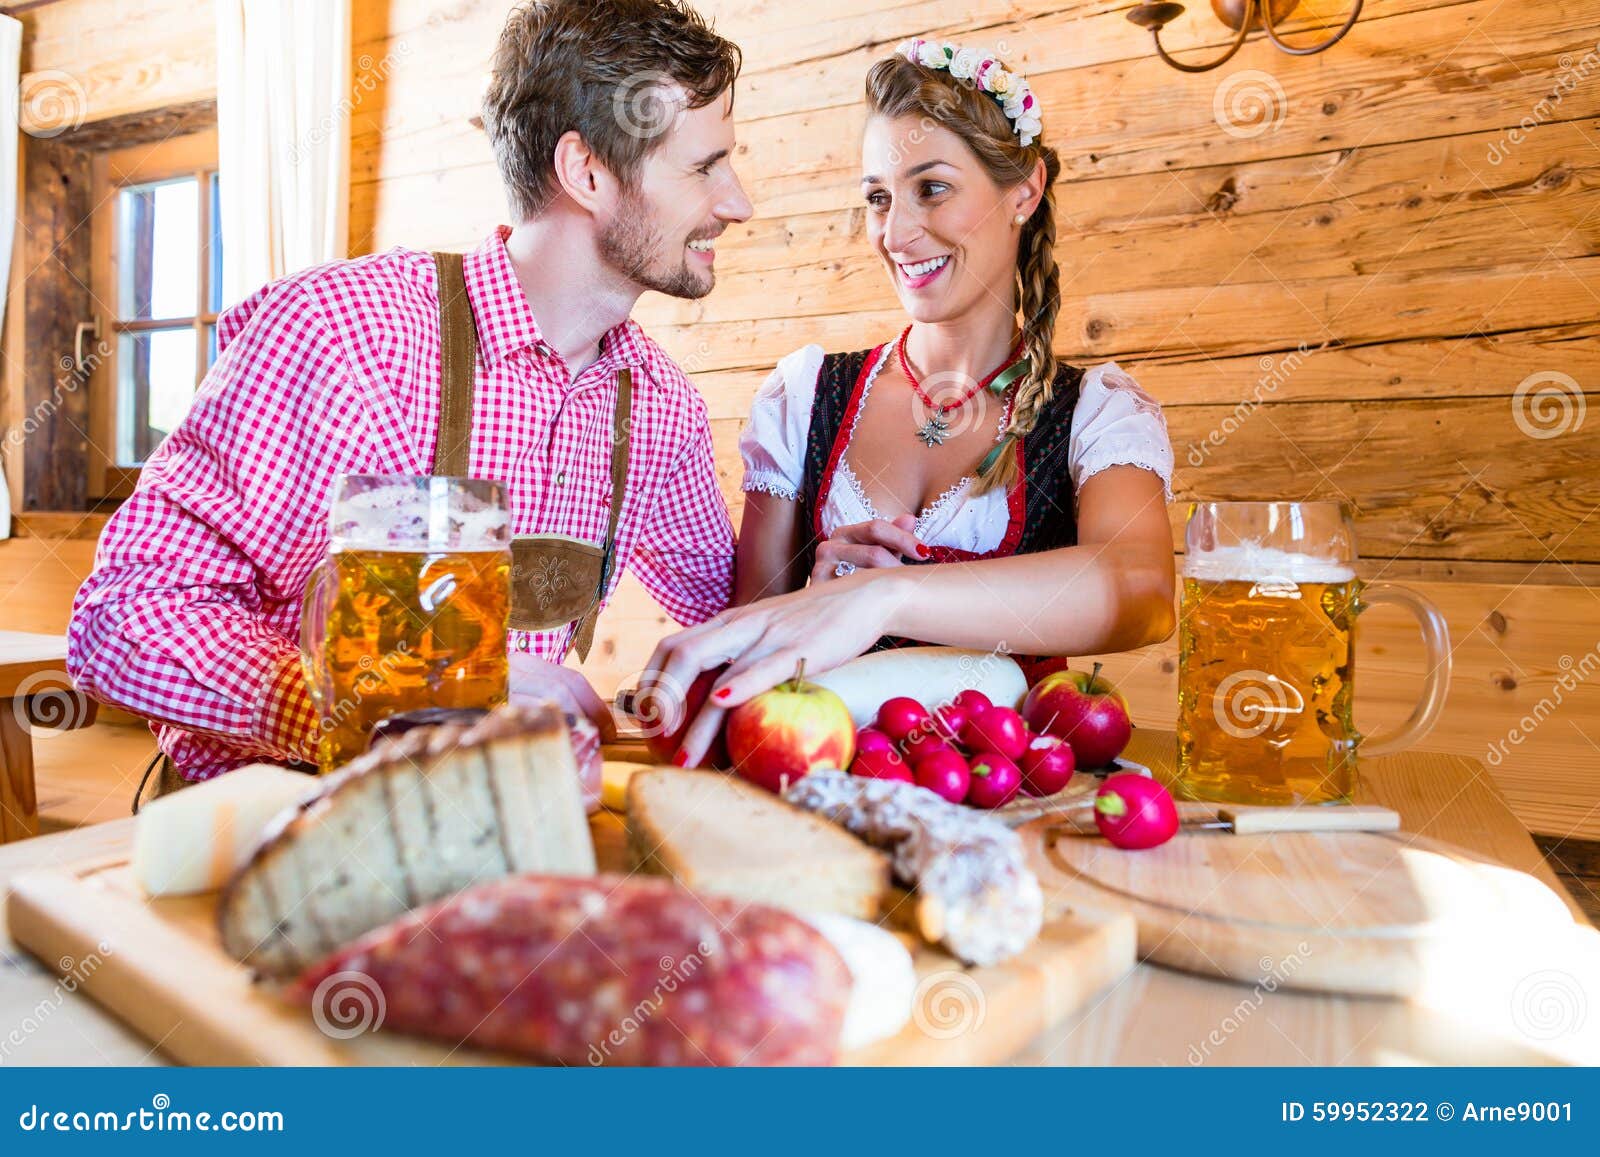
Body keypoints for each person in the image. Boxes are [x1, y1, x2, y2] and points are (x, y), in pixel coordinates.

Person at [67, 0, 752, 788]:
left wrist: (834, 571)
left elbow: (724, 622)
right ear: (586, 172)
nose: (738, 202)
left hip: (470, 826)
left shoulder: (660, 404)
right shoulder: (343, 336)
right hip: (268, 820)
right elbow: (122, 618)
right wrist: (403, 698)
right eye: (704, 167)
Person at [645, 39, 1176, 765]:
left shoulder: (1097, 411)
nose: (895, 234)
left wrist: (885, 598)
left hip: (1013, 807)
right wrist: (812, 588)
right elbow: (748, 635)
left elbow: (1140, 590)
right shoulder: (806, 397)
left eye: (931, 188)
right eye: (878, 197)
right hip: (820, 790)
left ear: (1024, 189)